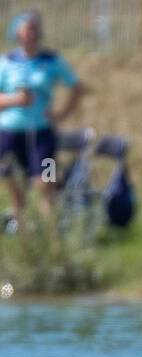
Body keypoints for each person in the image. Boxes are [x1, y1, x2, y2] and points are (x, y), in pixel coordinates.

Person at [0, 11, 84, 229]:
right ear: (17, 33)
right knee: (14, 183)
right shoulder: (6, 62)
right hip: (10, 134)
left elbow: (76, 87)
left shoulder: (52, 61)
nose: (31, 34)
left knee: (46, 181)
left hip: (43, 134)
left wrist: (62, 114)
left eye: (34, 29)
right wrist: (14, 99)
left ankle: (53, 235)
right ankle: (23, 234)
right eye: (27, 29)